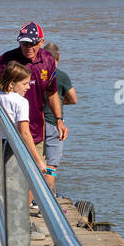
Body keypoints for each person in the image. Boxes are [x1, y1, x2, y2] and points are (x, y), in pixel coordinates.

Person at [0, 22, 67, 159]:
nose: (28, 48)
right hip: (8, 137)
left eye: (32, 44)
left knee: (36, 173)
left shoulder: (48, 60)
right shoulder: (6, 60)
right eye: (24, 44)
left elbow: (52, 93)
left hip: (36, 134)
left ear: (41, 42)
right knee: (9, 177)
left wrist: (59, 120)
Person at [0, 61, 54, 191]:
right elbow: (25, 133)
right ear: (11, 83)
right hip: (12, 147)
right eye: (24, 83)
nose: (28, 87)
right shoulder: (21, 102)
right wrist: (38, 161)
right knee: (15, 185)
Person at [40, 40, 76, 188]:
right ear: (58, 58)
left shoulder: (35, 72)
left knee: (35, 163)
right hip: (54, 123)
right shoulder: (61, 76)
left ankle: (31, 200)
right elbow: (73, 99)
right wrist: (60, 102)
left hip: (34, 123)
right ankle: (44, 202)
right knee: (51, 167)